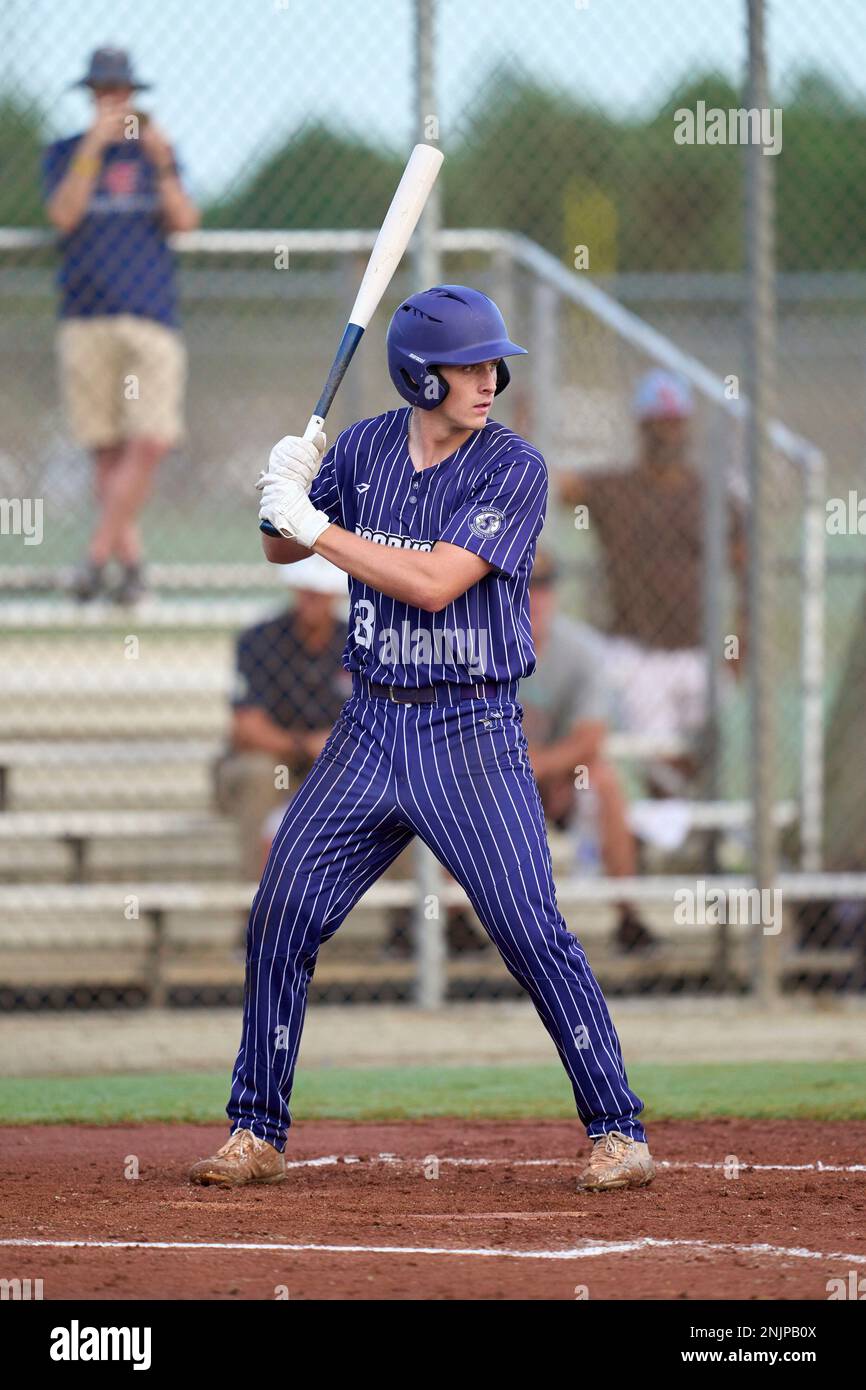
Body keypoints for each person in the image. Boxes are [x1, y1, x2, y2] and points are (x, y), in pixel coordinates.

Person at [189, 285, 655, 1193]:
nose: (489, 380)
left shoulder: (513, 468)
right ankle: (257, 1130)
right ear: (418, 375)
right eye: (471, 366)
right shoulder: (362, 450)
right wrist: (281, 490)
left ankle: (619, 1130)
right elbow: (283, 552)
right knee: (281, 912)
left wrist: (318, 525)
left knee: (528, 929)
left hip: (471, 729)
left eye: (493, 364)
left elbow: (436, 582)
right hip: (368, 723)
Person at [42, 47, 199, 604]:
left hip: (150, 315)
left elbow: (184, 221)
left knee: (151, 438)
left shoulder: (158, 152)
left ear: (132, 95)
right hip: (86, 316)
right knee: (105, 449)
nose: (112, 102)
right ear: (92, 97)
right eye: (103, 93)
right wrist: (93, 147)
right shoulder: (67, 153)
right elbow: (63, 215)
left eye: (119, 93)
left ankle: (93, 559)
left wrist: (160, 160)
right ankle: (129, 569)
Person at [556, 369, 747, 797]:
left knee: (712, 735)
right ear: (642, 427)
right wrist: (530, 429)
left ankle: (679, 826)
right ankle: (667, 826)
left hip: (698, 648)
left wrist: (740, 647)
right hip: (634, 648)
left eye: (675, 420)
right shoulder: (616, 488)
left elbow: (746, 571)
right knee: (654, 753)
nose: (668, 432)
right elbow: (558, 486)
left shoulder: (709, 494)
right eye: (659, 421)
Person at [522, 549, 657, 952]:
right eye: (523, 585)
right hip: (491, 778)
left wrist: (540, 767)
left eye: (543, 586)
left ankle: (629, 917)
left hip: (557, 780)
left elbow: (589, 739)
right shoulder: (474, 643)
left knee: (601, 778)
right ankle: (452, 925)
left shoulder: (580, 650)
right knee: (440, 781)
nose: (534, 597)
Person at [214, 553, 352, 882]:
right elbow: (246, 728)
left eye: (319, 591)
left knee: (398, 779)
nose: (312, 599)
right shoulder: (259, 641)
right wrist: (308, 745)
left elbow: (380, 718)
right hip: (276, 763)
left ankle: (413, 917)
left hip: (335, 765)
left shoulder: (359, 641)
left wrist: (333, 748)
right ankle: (258, 908)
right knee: (259, 774)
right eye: (306, 590)